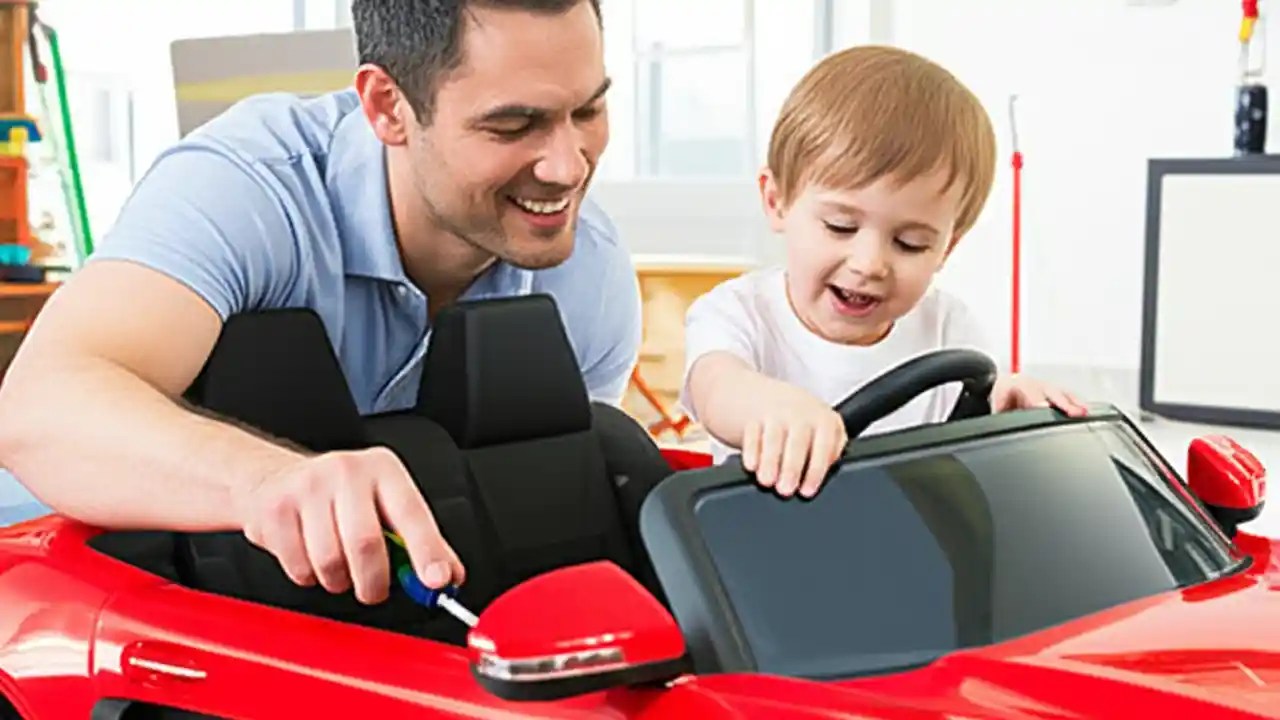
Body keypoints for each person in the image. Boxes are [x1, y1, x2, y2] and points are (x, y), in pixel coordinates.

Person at [0, 0, 639, 607]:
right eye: (513, 125)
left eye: (587, 112)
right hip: (52, 601)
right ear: (388, 107)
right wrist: (266, 482)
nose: (565, 167)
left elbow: (554, 506)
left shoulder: (587, 272)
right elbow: (37, 409)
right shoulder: (248, 191)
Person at [681, 45, 1085, 498]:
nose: (870, 264)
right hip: (766, 543)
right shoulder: (738, 312)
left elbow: (970, 419)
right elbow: (716, 388)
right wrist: (768, 407)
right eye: (841, 226)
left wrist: (1008, 402)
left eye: (910, 243)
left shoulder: (948, 326)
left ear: (947, 247)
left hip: (909, 541)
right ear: (777, 201)